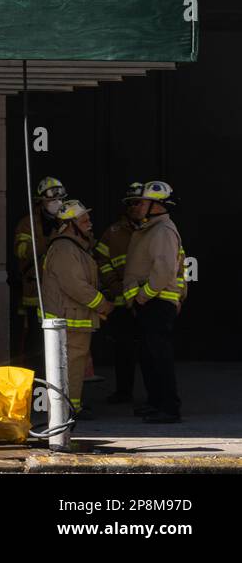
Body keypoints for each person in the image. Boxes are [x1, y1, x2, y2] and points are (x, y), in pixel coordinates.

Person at [40, 199, 113, 419]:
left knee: (73, 364)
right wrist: (102, 304)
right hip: (68, 318)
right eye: (84, 220)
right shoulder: (64, 248)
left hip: (73, 316)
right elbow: (75, 285)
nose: (89, 224)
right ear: (70, 224)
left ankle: (71, 408)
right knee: (70, 364)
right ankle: (68, 411)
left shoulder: (73, 246)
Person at [124, 181, 187, 424]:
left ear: (157, 205)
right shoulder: (150, 228)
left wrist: (142, 297)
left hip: (157, 303)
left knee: (160, 356)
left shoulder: (163, 231)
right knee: (149, 356)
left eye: (141, 202)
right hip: (150, 303)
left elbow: (163, 272)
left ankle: (169, 408)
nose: (137, 207)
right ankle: (155, 402)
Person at [94, 182, 142, 404]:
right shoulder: (113, 233)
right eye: (131, 203)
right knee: (123, 350)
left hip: (148, 300)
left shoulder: (155, 230)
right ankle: (124, 392)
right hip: (122, 303)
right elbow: (101, 261)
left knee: (152, 349)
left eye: (139, 202)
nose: (135, 207)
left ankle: (155, 397)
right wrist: (113, 285)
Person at [14, 177, 67, 369]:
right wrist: (47, 241)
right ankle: (35, 374)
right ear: (40, 201)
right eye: (52, 200)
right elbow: (21, 251)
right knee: (36, 338)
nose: (57, 204)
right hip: (35, 291)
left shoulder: (67, 220)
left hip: (60, 291)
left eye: (60, 199)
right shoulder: (27, 223)